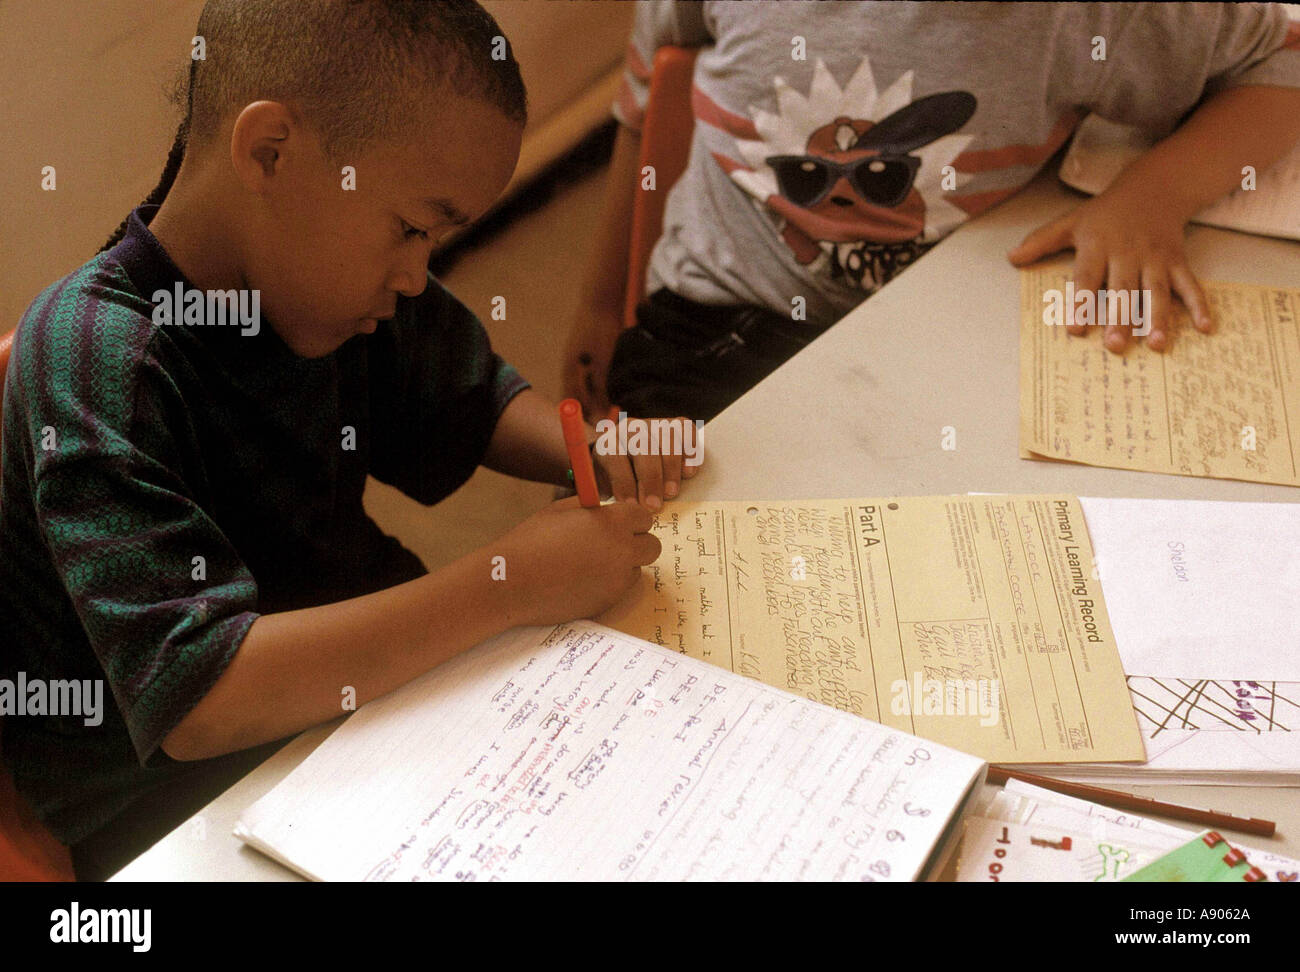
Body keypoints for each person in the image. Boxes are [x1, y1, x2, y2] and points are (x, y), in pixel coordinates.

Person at [0, 0, 696, 880]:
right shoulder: (97, 359)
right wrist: (507, 582)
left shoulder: (326, 284)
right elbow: (200, 702)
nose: (417, 274)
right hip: (177, 805)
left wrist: (588, 453)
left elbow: (471, 401)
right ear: (271, 152)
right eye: (412, 227)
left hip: (370, 704)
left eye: (441, 240)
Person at [564, 1, 1300, 421]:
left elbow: (1283, 62)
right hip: (713, 330)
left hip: (953, 344)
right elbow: (649, 101)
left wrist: (1154, 193)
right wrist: (599, 306)